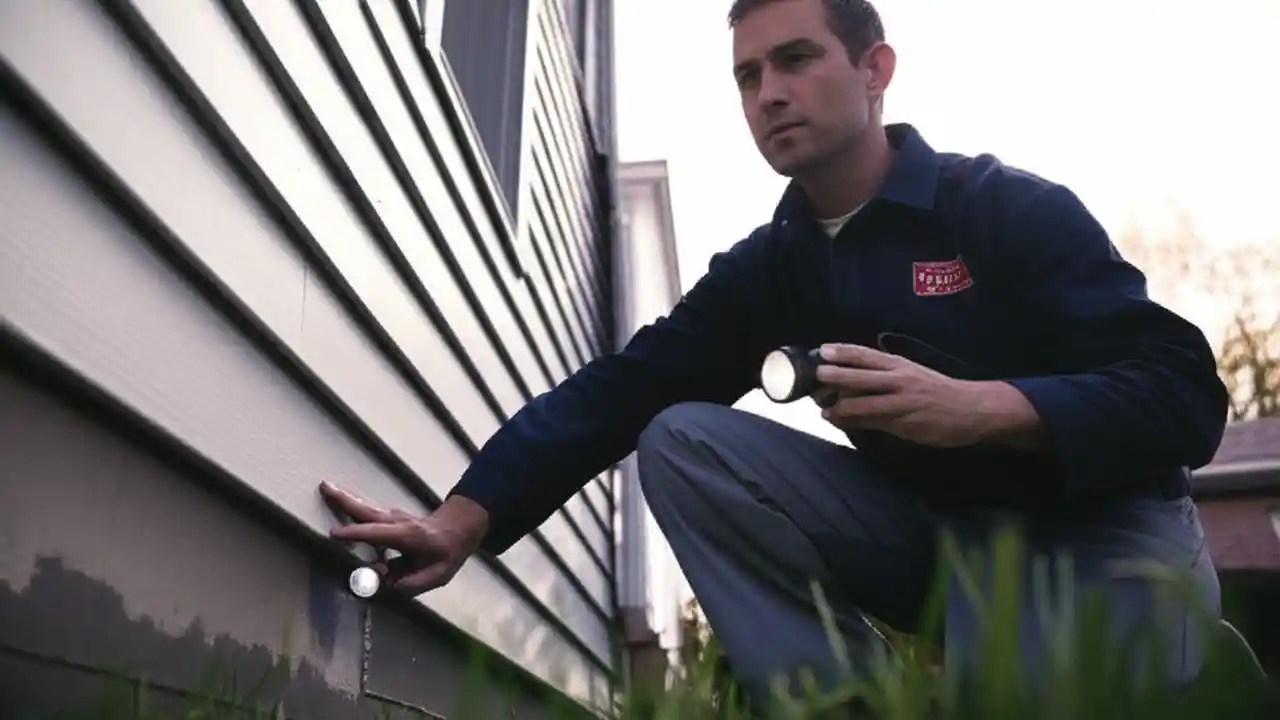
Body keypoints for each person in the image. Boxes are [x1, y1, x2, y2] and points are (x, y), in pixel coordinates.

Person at [319, 0, 1228, 707]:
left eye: (796, 59)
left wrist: (985, 405)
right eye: (748, 75)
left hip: (1102, 532)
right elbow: (624, 391)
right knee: (683, 439)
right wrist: (459, 521)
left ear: (876, 70)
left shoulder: (1001, 207)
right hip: (944, 542)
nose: (770, 93)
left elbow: (1184, 394)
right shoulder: (775, 268)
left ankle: (1200, 662)